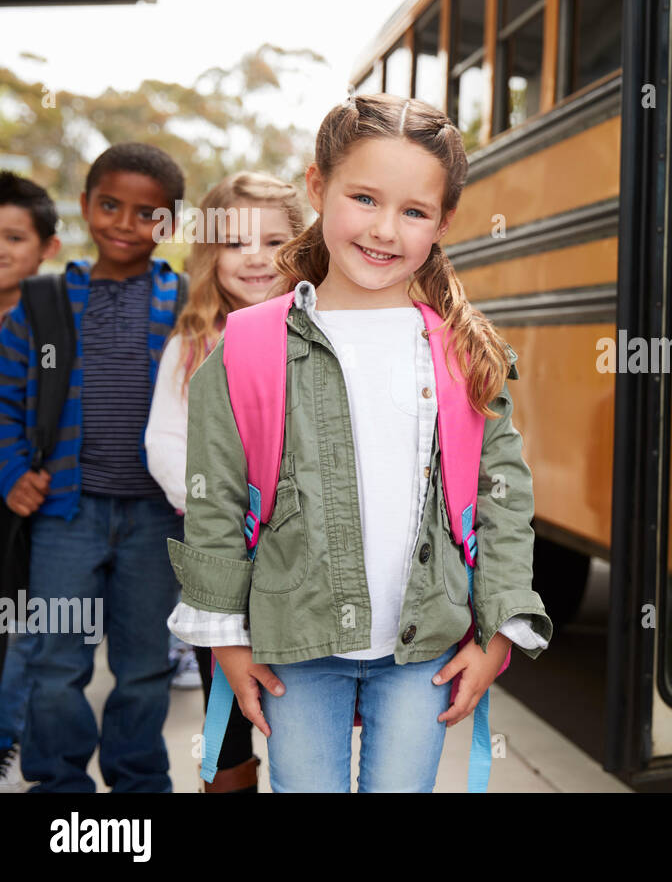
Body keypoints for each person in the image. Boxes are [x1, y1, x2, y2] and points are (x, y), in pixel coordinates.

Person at [166, 94, 552, 792]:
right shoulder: (250, 345)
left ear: (444, 221)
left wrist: (498, 635)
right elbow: (216, 500)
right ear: (318, 187)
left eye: (414, 211)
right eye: (364, 197)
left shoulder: (466, 349)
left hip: (424, 654)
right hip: (293, 648)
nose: (384, 229)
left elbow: (502, 500)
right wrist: (225, 639)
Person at [0, 144, 189, 792]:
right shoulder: (42, 303)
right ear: (84, 206)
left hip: (157, 520)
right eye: (109, 205)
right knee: (57, 662)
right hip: (64, 517)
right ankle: (58, 786)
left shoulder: (187, 303)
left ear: (169, 226)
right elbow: (3, 401)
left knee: (143, 665)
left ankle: (139, 780)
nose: (124, 223)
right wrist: (12, 472)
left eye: (146, 214)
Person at [145, 171, 304, 792]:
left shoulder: (319, 334)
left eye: (274, 241)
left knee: (298, 707)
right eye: (236, 243)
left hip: (301, 566)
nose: (257, 258)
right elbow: (165, 443)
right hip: (223, 564)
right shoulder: (192, 344)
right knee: (227, 715)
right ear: (211, 253)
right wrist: (218, 508)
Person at [0, 171, 62, 792]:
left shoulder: (57, 322)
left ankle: (8, 742)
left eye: (13, 236)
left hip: (32, 506)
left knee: (27, 631)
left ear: (46, 246)